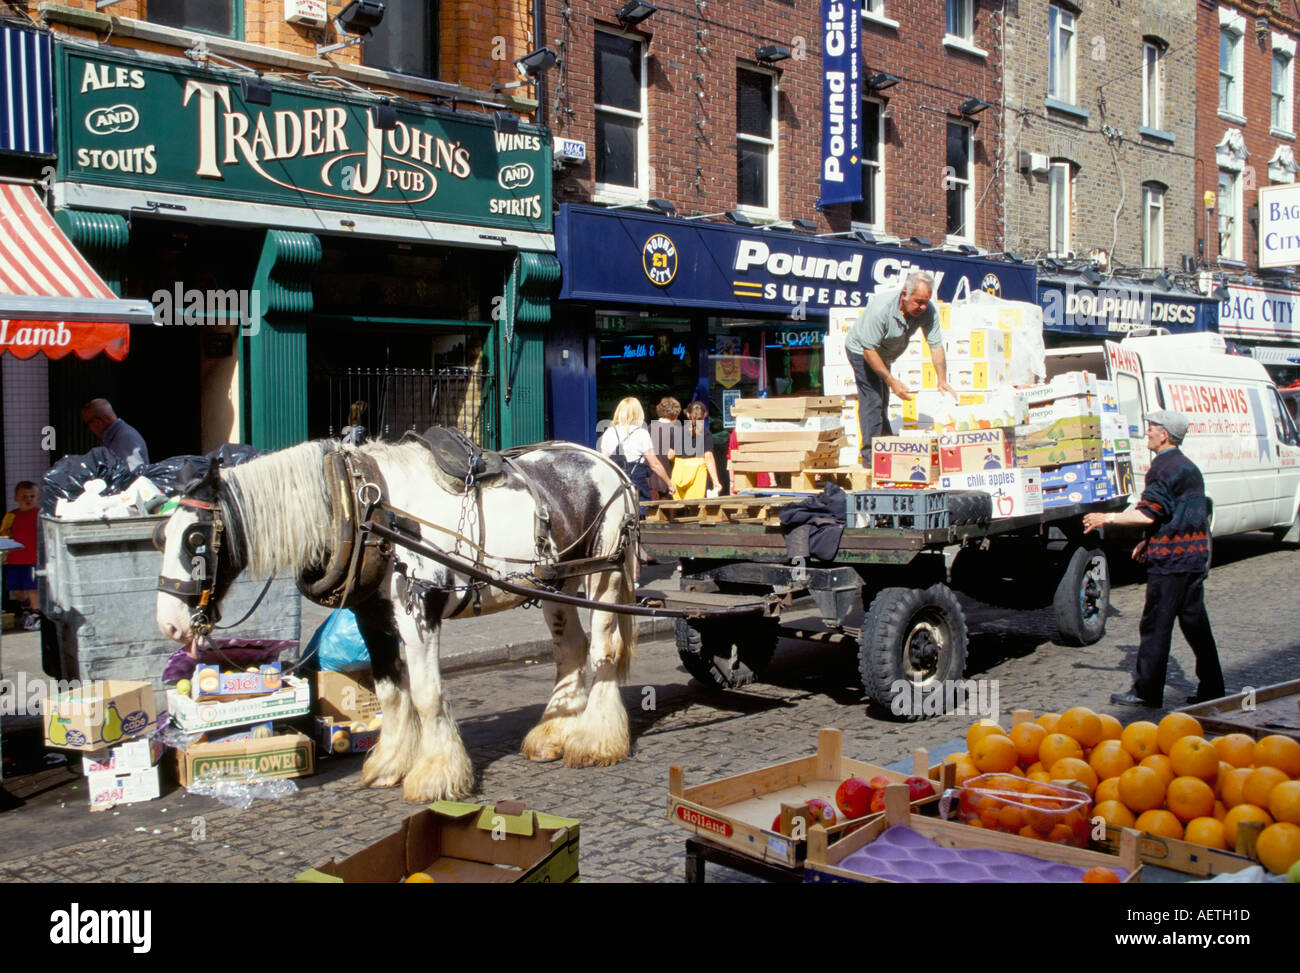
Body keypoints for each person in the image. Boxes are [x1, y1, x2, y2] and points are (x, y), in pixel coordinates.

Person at [1083, 410, 1226, 708]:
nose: (1147, 432)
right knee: (1195, 624)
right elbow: (1176, 515)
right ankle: (1213, 686)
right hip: (1194, 557)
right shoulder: (1188, 467)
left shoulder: (1161, 468)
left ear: (1165, 435)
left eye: (1152, 428)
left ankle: (1147, 692)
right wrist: (1149, 542)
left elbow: (1150, 513)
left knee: (1156, 626)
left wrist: (1106, 517)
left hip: (1172, 563)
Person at [845, 269, 957, 465]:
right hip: (862, 351)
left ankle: (887, 446)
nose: (923, 306)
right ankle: (871, 458)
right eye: (918, 302)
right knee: (873, 398)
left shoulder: (928, 310)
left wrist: (942, 378)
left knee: (883, 400)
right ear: (905, 294)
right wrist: (891, 381)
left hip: (885, 354)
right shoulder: (881, 309)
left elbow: (936, 345)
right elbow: (869, 351)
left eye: (926, 301)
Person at [598, 397, 672, 506]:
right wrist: (669, 484)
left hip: (615, 484)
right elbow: (654, 464)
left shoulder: (609, 432)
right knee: (639, 516)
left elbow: (603, 461)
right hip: (636, 484)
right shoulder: (641, 433)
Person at [1, 481, 41, 630]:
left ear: (37, 498)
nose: (28, 499)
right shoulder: (11, 515)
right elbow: (4, 533)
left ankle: (36, 614)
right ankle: (26, 604)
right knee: (15, 589)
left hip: (33, 559)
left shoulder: (39, 514)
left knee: (32, 587)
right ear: (15, 498)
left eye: (32, 496)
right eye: (24, 496)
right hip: (14, 559)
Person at [671, 401, 723, 500]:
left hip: (679, 473)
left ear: (687, 414)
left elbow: (670, 455)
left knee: (679, 505)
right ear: (705, 415)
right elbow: (708, 457)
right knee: (695, 507)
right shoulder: (705, 433)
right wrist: (716, 482)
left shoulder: (679, 431)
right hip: (697, 472)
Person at [81, 398, 149, 471]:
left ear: (97, 422)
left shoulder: (125, 438)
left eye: (87, 424)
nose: (89, 429)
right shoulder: (114, 437)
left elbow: (133, 475)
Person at [648, 396, 683, 500]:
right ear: (675, 413)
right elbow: (671, 455)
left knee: (652, 510)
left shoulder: (649, 428)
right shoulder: (677, 430)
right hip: (669, 475)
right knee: (669, 508)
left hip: (650, 475)